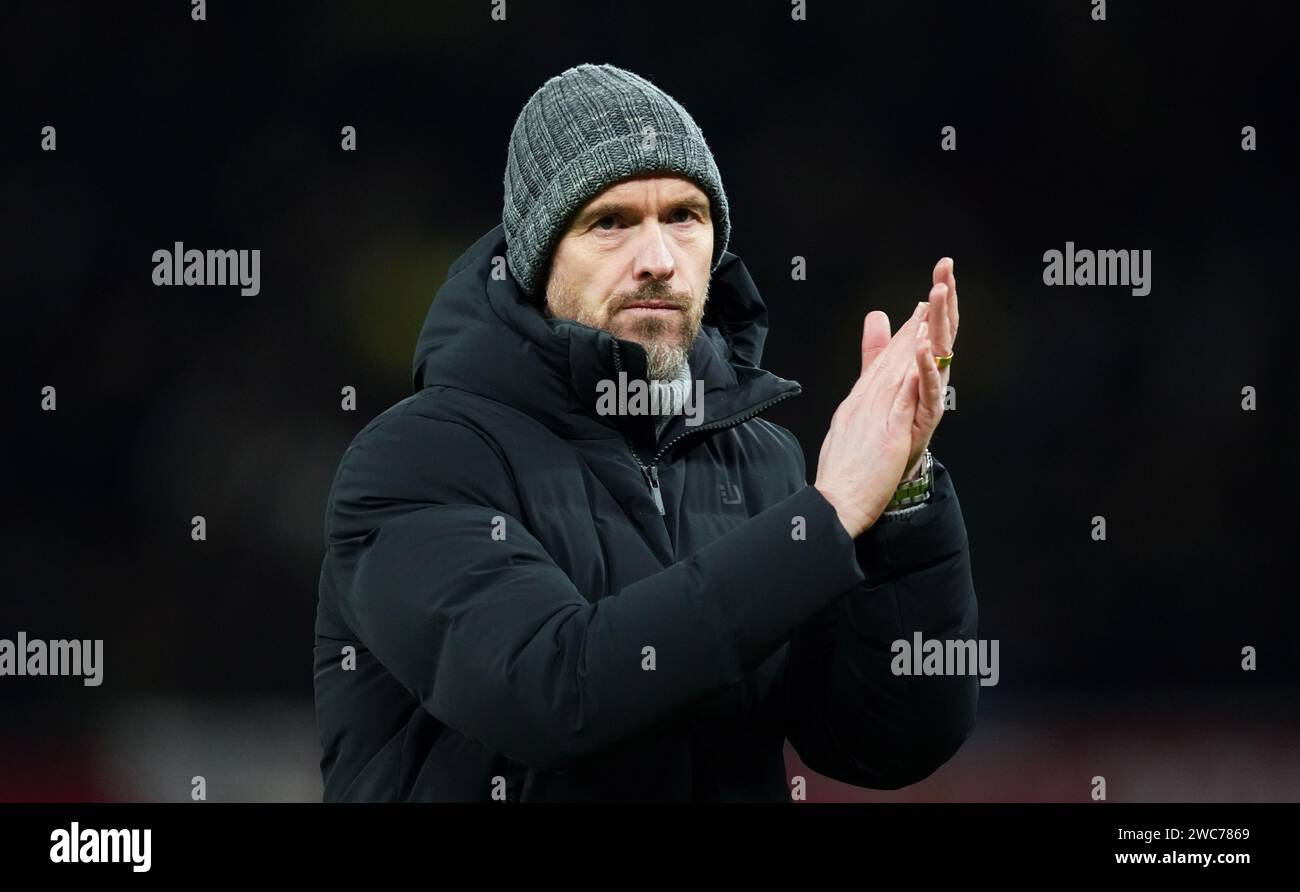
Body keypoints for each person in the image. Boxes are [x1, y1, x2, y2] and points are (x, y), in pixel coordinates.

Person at [313, 63, 976, 801]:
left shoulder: (761, 462)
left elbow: (883, 743)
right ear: (537, 259)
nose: (659, 260)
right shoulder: (416, 460)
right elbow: (551, 692)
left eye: (685, 217)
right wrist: (825, 518)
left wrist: (905, 492)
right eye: (611, 222)